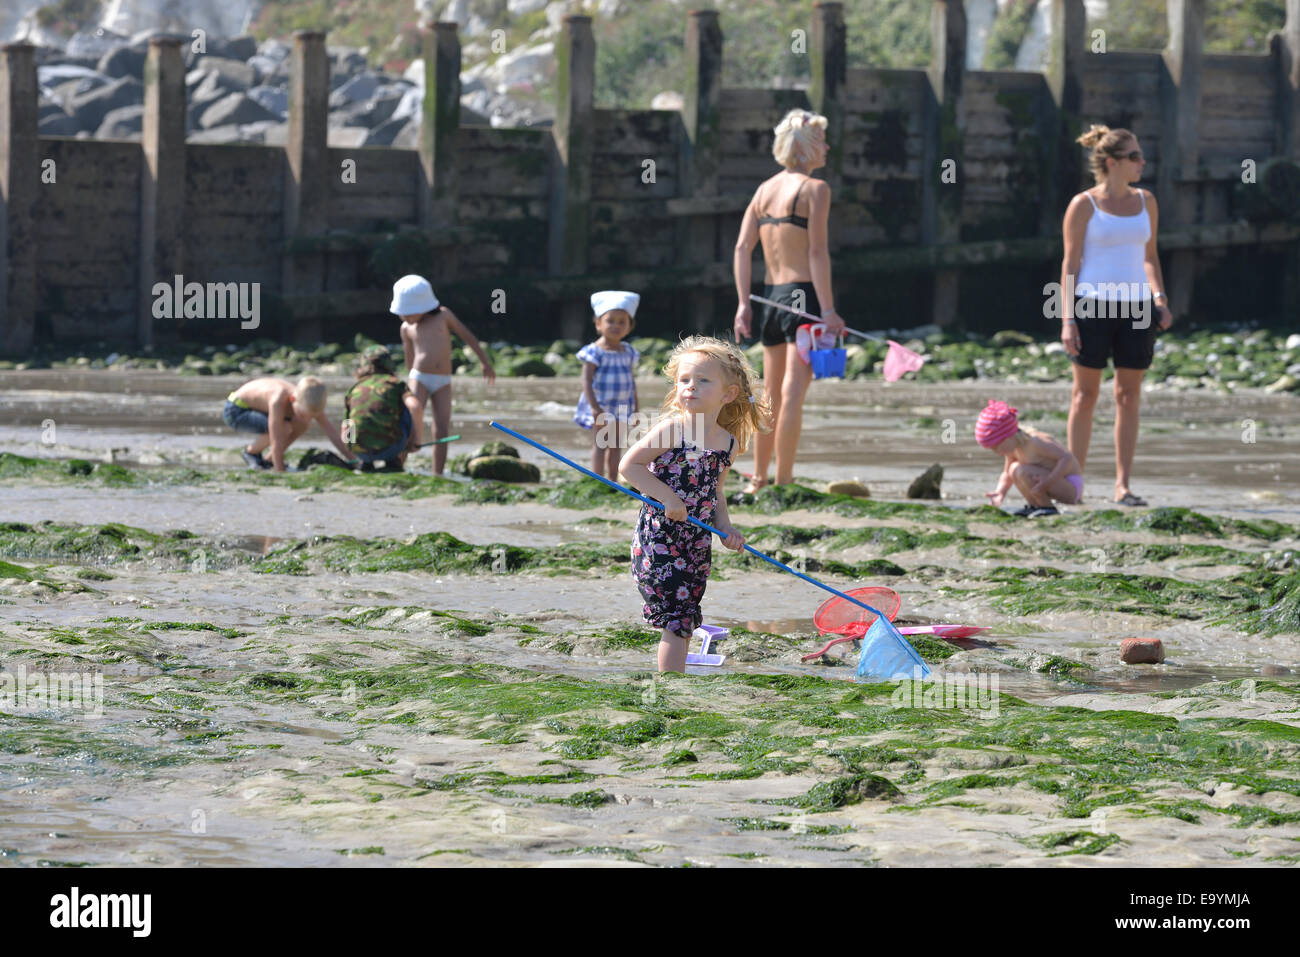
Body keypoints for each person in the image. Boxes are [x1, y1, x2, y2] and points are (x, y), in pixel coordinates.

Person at [619, 336, 770, 673]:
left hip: (696, 542)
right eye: (684, 380)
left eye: (703, 380)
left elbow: (715, 492)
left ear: (728, 394)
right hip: (658, 539)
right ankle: (670, 689)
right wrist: (668, 498)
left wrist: (725, 528)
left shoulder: (728, 443)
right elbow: (629, 466)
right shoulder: (672, 430)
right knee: (676, 618)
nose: (690, 387)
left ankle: (673, 681)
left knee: (685, 616)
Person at [731, 108, 845, 494]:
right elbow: (817, 253)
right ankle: (784, 480)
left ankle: (758, 479)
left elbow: (743, 247)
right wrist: (828, 311)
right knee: (793, 394)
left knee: (769, 393)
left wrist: (743, 303)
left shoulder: (763, 190)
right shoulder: (816, 190)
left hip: (770, 298)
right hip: (805, 298)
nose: (827, 147)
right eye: (822, 141)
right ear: (808, 147)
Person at [1059, 124, 1173, 507]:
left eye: (1141, 155)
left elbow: (1150, 256)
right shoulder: (1083, 205)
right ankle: (1075, 481)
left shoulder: (1147, 201)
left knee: (1128, 395)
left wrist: (1160, 299)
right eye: (1134, 157)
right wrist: (1067, 319)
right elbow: (1070, 263)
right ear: (1112, 163)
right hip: (1091, 306)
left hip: (1138, 307)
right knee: (1084, 396)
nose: (1142, 162)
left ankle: (1123, 485)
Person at [392, 274, 496, 475]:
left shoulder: (443, 316)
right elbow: (409, 359)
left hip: (443, 380)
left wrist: (484, 362)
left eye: (408, 313)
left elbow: (467, 337)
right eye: (401, 313)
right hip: (418, 377)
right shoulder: (406, 328)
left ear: (423, 306)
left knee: (441, 428)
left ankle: (437, 474)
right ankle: (398, 467)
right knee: (410, 424)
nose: (404, 317)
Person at [222, 375, 356, 472]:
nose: (307, 417)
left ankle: (268, 460)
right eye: (304, 414)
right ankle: (250, 452)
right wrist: (280, 471)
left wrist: (353, 459)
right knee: (284, 428)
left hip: (259, 410)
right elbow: (276, 439)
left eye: (313, 416)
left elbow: (331, 432)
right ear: (293, 399)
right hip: (236, 411)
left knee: (302, 424)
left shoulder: (310, 402)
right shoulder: (278, 400)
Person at [977, 399, 1083, 517]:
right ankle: (1035, 506)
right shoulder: (1013, 449)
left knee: (1021, 471)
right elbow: (1007, 474)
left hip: (1070, 485)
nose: (996, 452)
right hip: (1048, 482)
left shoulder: (1036, 442)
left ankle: (1047, 508)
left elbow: (1067, 457)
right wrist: (1000, 492)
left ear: (1009, 436)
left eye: (996, 447)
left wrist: (1049, 481)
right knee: (1013, 469)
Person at [575, 290, 641, 480]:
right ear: (598, 324)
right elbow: (586, 381)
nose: (616, 326)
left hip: (622, 406)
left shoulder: (628, 351)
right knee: (601, 443)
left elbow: (632, 382)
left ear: (629, 326)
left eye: (622, 322)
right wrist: (594, 407)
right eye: (610, 321)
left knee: (616, 444)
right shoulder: (594, 352)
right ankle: (598, 479)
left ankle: (612, 480)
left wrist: (636, 408)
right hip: (601, 405)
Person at [344, 345, 412, 471]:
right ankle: (393, 461)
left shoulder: (353, 389)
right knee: (404, 408)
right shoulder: (396, 384)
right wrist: (414, 441)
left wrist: (350, 448)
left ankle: (366, 462)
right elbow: (415, 406)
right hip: (390, 449)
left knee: (352, 419)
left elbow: (346, 427)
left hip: (359, 451)